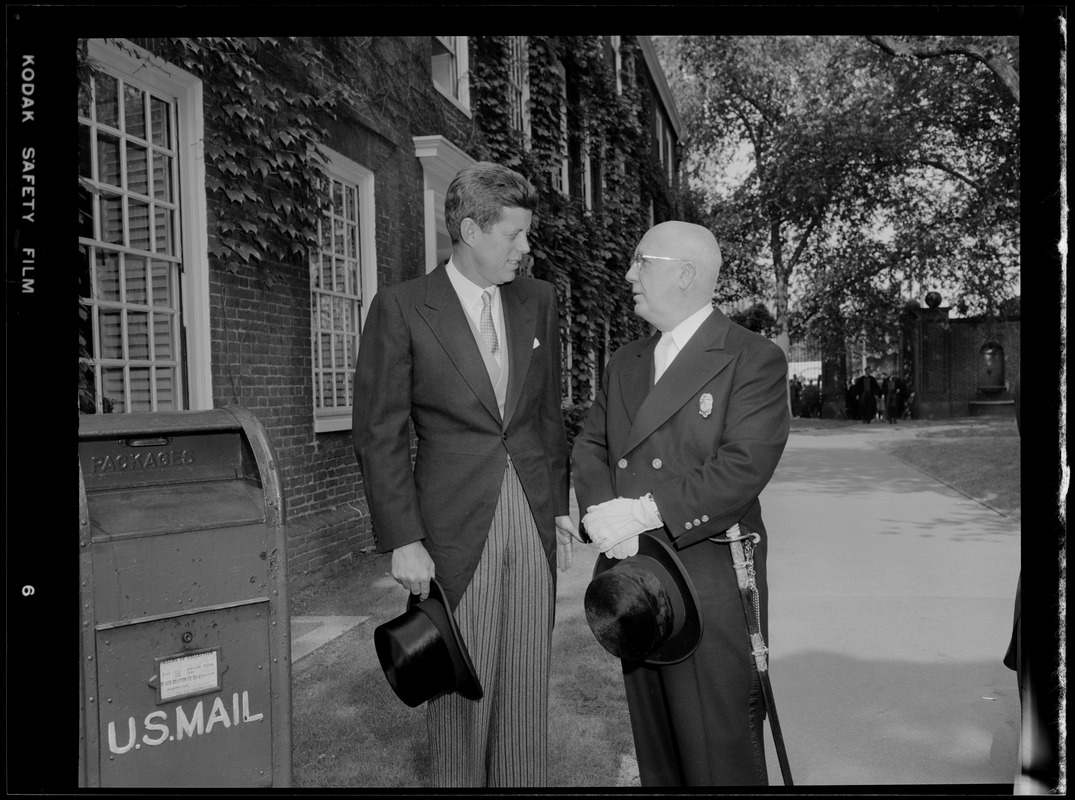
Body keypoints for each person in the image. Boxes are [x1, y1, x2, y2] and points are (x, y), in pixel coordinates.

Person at [352, 161, 578, 788]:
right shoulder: (402, 308)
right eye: (514, 235)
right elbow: (380, 432)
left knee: (527, 683)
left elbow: (543, 412)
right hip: (451, 527)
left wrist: (557, 500)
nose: (526, 248)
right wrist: (402, 537)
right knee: (458, 685)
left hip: (530, 517)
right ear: (472, 230)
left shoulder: (539, 301)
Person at [571, 220, 791, 786]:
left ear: (686, 274)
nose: (629, 275)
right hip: (634, 574)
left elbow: (744, 465)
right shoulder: (627, 360)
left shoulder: (751, 356)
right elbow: (591, 444)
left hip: (708, 576)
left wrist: (645, 511)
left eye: (642, 261)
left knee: (717, 752)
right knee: (659, 751)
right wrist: (601, 515)